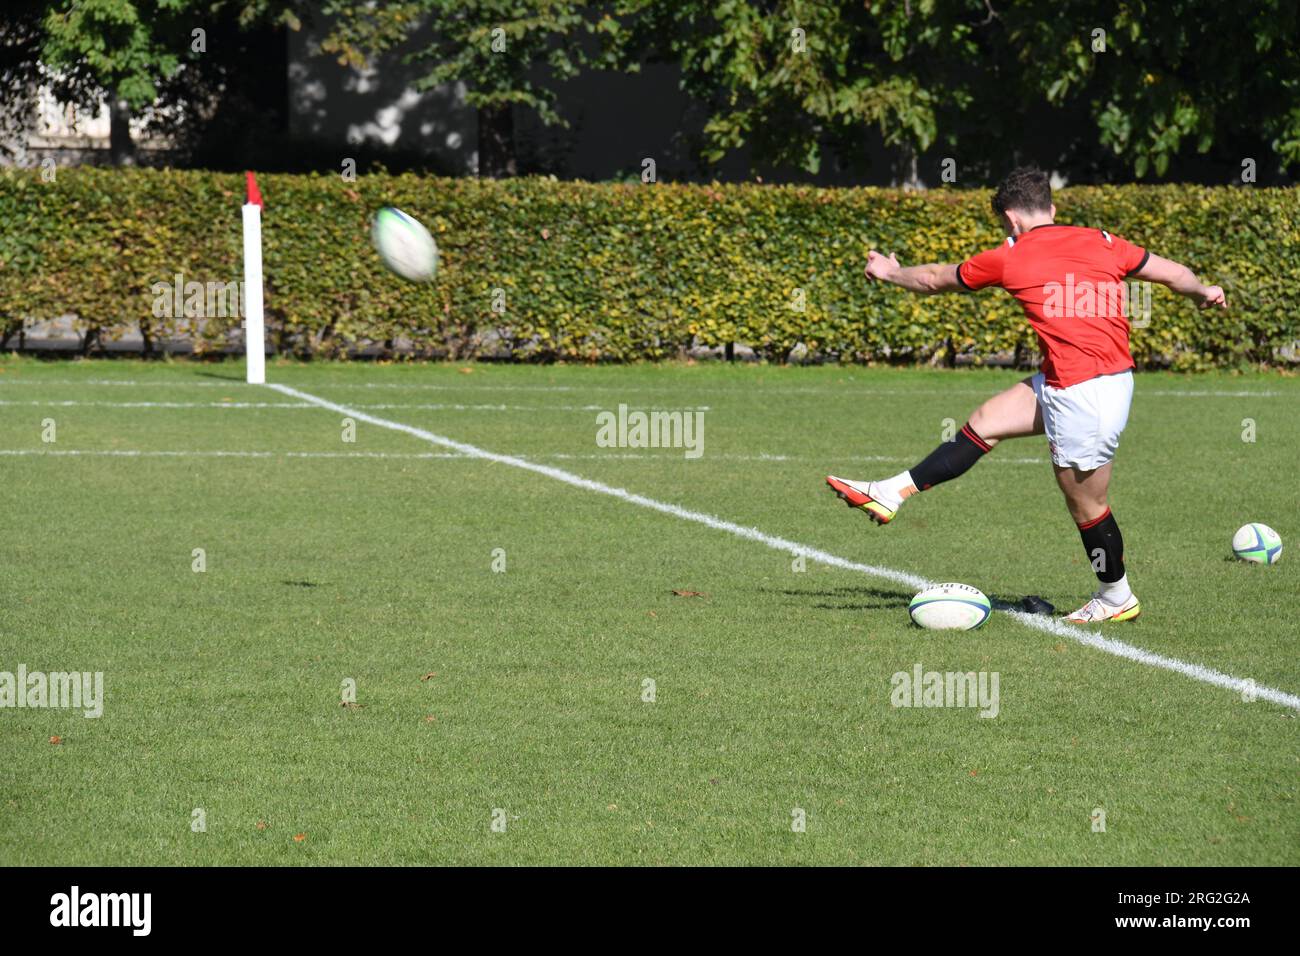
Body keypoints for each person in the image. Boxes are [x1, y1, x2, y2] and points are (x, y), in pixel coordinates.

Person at [826, 166, 1227, 623]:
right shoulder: (1103, 240)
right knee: (987, 421)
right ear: (1052, 209)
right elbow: (1175, 274)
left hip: (1085, 394)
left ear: (1011, 219)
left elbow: (936, 278)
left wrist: (890, 271)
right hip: (1076, 380)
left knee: (1087, 504)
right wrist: (1204, 292)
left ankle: (1116, 597)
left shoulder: (1011, 256)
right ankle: (890, 492)